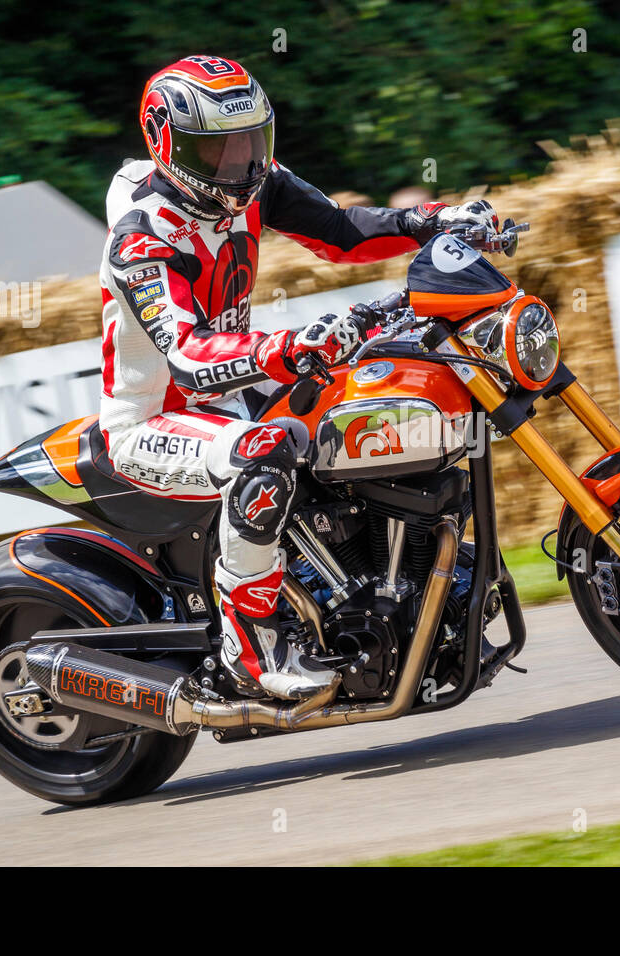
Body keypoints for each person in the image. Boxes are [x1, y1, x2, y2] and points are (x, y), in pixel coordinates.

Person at [98, 55, 500, 700]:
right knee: (267, 454)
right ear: (167, 144)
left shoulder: (254, 184)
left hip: (234, 395)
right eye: (219, 150)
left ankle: (393, 576)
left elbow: (341, 233)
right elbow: (189, 355)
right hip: (152, 418)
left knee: (369, 388)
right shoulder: (141, 240)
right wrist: (292, 345)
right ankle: (248, 642)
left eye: (252, 142)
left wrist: (431, 220)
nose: (242, 163)